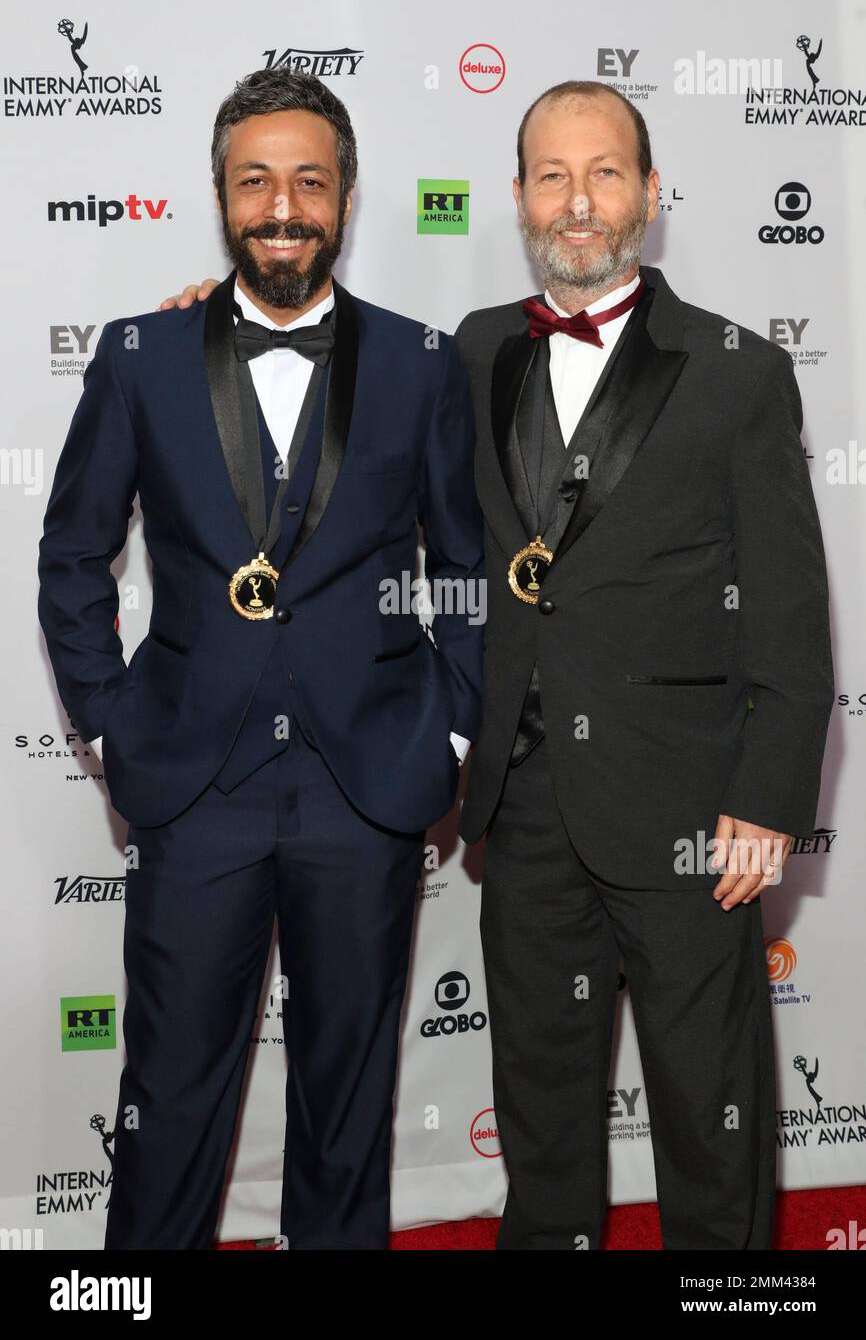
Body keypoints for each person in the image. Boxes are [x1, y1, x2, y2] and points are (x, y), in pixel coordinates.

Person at [161, 79, 834, 1251]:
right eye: (552, 176)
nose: (578, 201)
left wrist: (765, 800)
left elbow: (787, 608)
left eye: (604, 172)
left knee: (711, 1123)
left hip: (689, 816)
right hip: (519, 816)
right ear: (519, 196)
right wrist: (205, 332)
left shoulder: (734, 368)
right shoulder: (471, 355)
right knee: (541, 1122)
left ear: (649, 193)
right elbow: (336, 402)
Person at [37, 67, 483, 1251]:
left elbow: (468, 565)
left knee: (346, 1107)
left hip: (366, 787)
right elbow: (73, 553)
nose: (281, 205)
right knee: (169, 1103)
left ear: (343, 196)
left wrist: (444, 730)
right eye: (255, 180)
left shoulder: (421, 361)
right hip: (194, 784)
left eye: (307, 180)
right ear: (221, 196)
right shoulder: (139, 355)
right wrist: (105, 725)